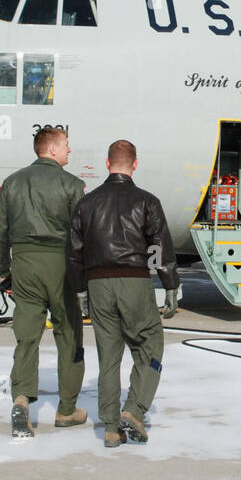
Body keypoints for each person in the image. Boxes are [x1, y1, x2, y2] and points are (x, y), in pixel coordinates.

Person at [68, 139, 179, 448]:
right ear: (135, 164)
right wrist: (169, 284)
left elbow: (74, 253)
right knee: (151, 344)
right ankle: (134, 410)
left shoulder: (86, 204)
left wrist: (80, 292)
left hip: (98, 285)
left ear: (107, 164)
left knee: (109, 357)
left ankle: (111, 428)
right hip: (134, 281)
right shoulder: (147, 202)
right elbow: (158, 246)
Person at [0, 126, 87, 437]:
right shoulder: (73, 185)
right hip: (60, 265)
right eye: (67, 145)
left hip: (25, 264)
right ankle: (67, 410)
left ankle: (20, 400)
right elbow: (81, 236)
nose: (70, 151)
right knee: (69, 335)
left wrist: (5, 271)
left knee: (27, 336)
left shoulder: (12, 183)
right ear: (53, 149)